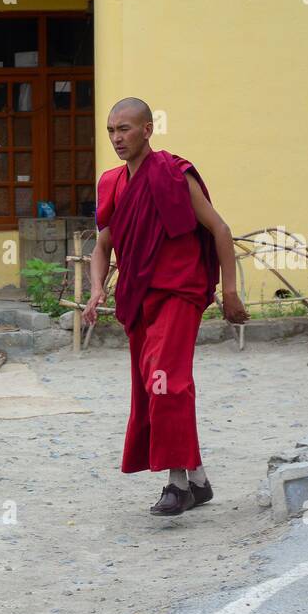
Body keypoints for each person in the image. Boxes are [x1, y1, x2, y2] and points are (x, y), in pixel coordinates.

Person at [82, 97, 249, 516]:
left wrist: (229, 291)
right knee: (152, 387)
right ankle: (198, 478)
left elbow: (220, 229)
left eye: (125, 129)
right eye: (111, 131)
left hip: (179, 292)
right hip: (139, 298)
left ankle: (176, 484)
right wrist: (97, 288)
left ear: (147, 129)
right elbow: (101, 246)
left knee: (166, 381)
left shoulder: (174, 175)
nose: (117, 138)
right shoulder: (111, 184)